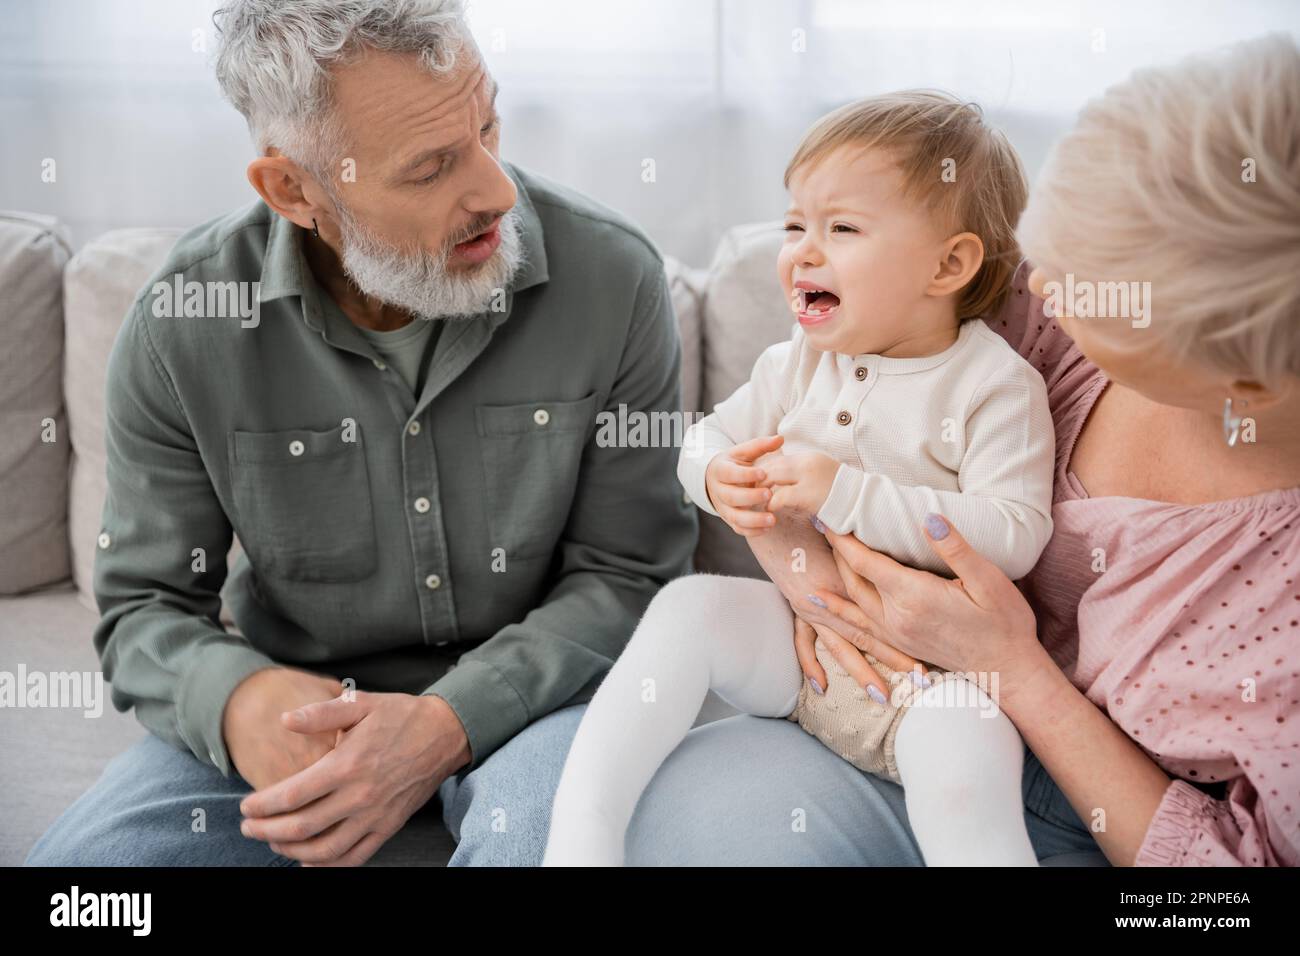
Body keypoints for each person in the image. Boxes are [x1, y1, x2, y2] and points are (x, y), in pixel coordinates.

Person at [447, 33, 1300, 867]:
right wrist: (753, 511)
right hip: (820, 666)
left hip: (970, 723)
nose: (1038, 285)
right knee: (588, 735)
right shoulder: (842, 348)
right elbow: (730, 429)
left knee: (952, 776)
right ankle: (580, 838)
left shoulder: (1002, 384)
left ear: (1249, 385)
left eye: (1086, 287)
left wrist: (1001, 656)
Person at [25, 0, 695, 867]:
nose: (498, 190)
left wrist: (449, 723)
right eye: (430, 168)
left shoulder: (614, 279)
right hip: (307, 715)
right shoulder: (182, 325)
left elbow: (631, 572)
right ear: (294, 191)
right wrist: (242, 703)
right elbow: (145, 607)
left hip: (542, 708)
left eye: (488, 125)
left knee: (549, 843)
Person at [544, 91, 1055, 866]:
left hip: (933, 680)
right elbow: (706, 437)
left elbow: (1013, 535)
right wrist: (716, 476)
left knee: (969, 759)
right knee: (690, 608)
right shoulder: (797, 362)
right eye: (795, 226)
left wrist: (844, 493)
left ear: (949, 264)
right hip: (801, 652)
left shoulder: (993, 384)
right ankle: (582, 840)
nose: (802, 253)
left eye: (841, 229)